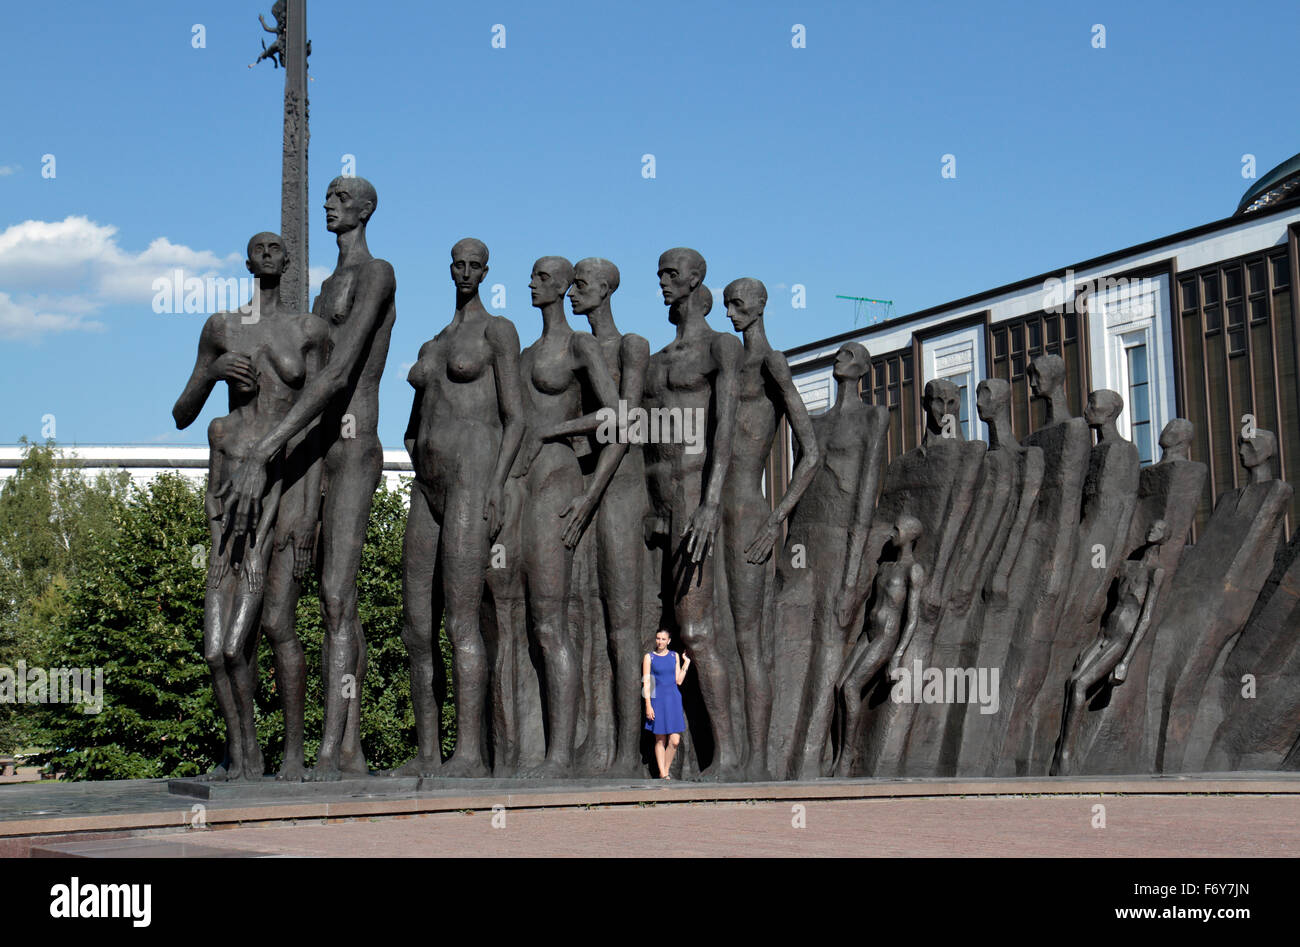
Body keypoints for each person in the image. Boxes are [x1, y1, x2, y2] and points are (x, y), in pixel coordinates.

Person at [643, 630, 689, 779]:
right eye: (658, 638)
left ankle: (665, 770)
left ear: (669, 641)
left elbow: (679, 680)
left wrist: (686, 663)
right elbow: (648, 683)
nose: (660, 641)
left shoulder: (674, 656)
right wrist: (648, 705)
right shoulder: (649, 657)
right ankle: (664, 774)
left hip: (674, 700)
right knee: (660, 739)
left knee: (675, 740)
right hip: (658, 701)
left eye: (663, 639)